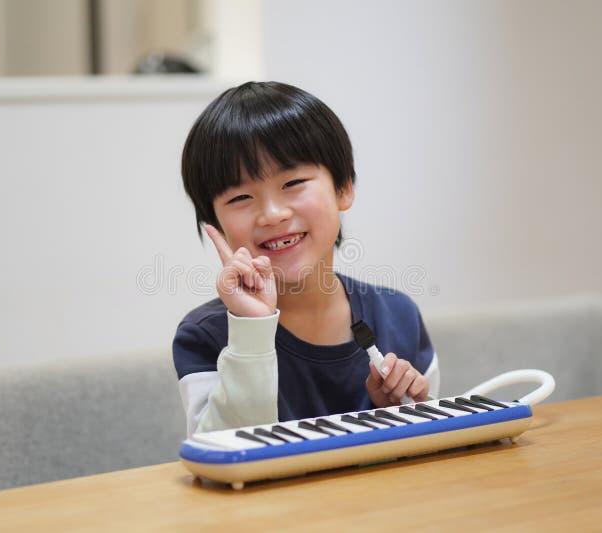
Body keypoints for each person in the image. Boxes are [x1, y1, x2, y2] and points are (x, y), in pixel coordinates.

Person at [173, 81, 440, 436]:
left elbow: (434, 456)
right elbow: (222, 454)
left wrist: (402, 412)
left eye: (293, 182)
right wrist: (251, 331)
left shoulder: (398, 316)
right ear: (215, 224)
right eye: (240, 198)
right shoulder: (204, 336)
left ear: (343, 187)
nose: (272, 214)